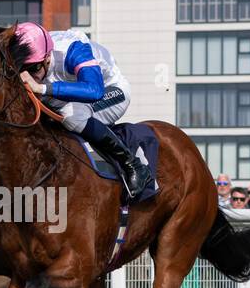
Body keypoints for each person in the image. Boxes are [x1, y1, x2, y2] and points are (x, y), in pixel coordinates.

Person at [14, 22, 154, 199]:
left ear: (47, 57)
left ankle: (133, 165)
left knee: (72, 116)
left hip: (111, 91)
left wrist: (41, 88)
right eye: (22, 69)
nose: (28, 75)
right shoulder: (31, 48)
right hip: (69, 94)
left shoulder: (74, 50)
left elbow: (94, 91)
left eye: (33, 68)